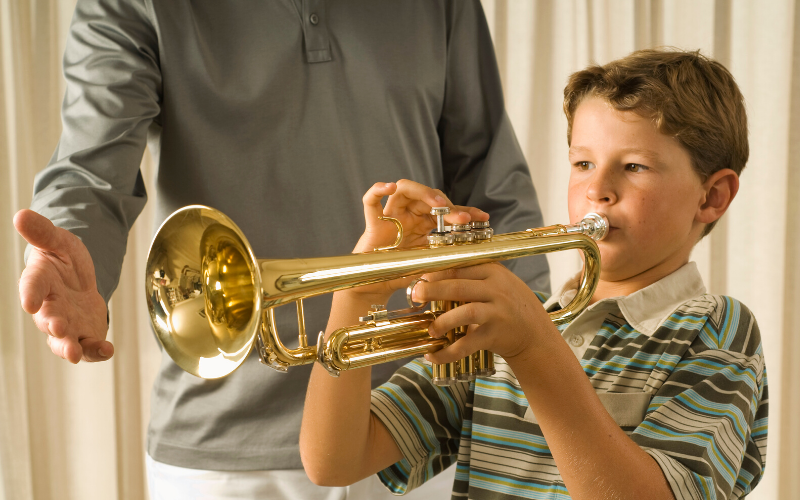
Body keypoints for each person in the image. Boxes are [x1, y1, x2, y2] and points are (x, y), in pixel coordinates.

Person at [13, 0, 551, 498]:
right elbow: (90, 166)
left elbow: (489, 181)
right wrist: (72, 247)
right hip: (223, 446)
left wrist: (545, 348)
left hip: (421, 421)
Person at [300, 49, 769, 499]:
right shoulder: (510, 325)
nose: (596, 190)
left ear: (712, 198)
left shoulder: (717, 331)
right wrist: (357, 293)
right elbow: (333, 462)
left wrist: (533, 347)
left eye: (634, 166)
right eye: (583, 163)